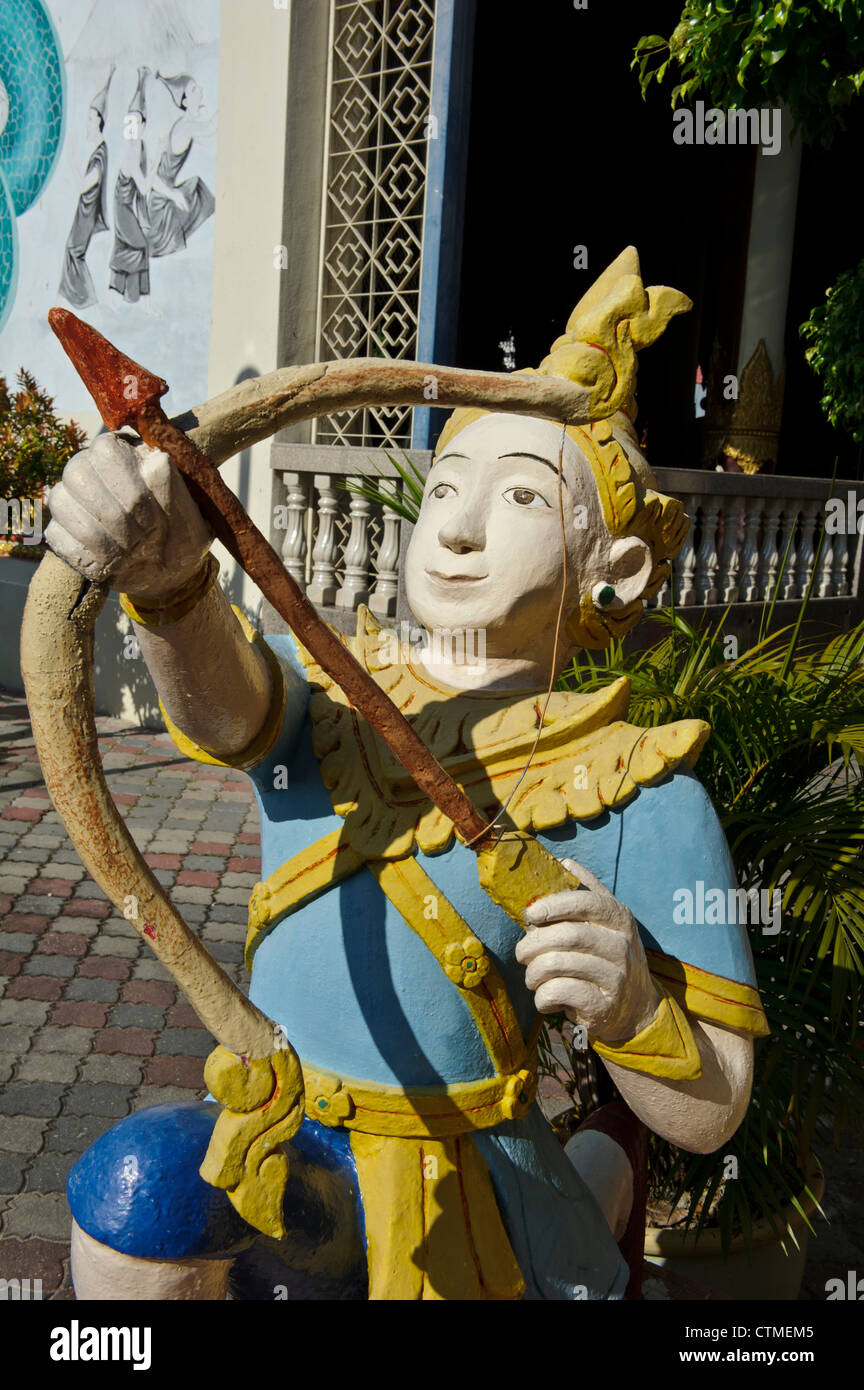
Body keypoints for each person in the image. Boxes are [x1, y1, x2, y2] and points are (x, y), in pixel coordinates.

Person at [45, 250, 768, 1300]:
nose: (461, 525)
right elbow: (231, 707)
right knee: (136, 1195)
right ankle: (601, 1172)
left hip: (467, 1187)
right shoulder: (322, 681)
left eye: (522, 496)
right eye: (450, 485)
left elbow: (715, 1105)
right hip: (285, 1133)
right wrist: (171, 588)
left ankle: (601, 1174)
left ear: (616, 570)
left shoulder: (640, 793)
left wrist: (634, 1012)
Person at [57, 70, 112, 309]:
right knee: (71, 253)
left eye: (91, 119)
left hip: (87, 215)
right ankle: (58, 304)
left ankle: (93, 306)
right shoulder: (99, 151)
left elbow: (85, 185)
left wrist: (71, 162)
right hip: (83, 213)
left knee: (74, 253)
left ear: (99, 121)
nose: (87, 124)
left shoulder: (100, 154)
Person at [145, 73, 215, 259]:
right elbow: (209, 128)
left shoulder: (187, 124)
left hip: (163, 197)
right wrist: (174, 195)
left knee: (199, 189)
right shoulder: (185, 127)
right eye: (193, 89)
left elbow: (209, 134)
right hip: (161, 206)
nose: (200, 90)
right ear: (185, 101)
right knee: (200, 194)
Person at [108, 68, 152, 305]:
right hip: (122, 208)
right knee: (140, 245)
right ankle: (139, 300)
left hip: (126, 207)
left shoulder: (139, 147)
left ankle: (119, 295)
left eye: (136, 123)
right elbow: (144, 188)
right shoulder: (131, 153)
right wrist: (154, 169)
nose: (132, 128)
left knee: (127, 245)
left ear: (143, 126)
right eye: (129, 123)